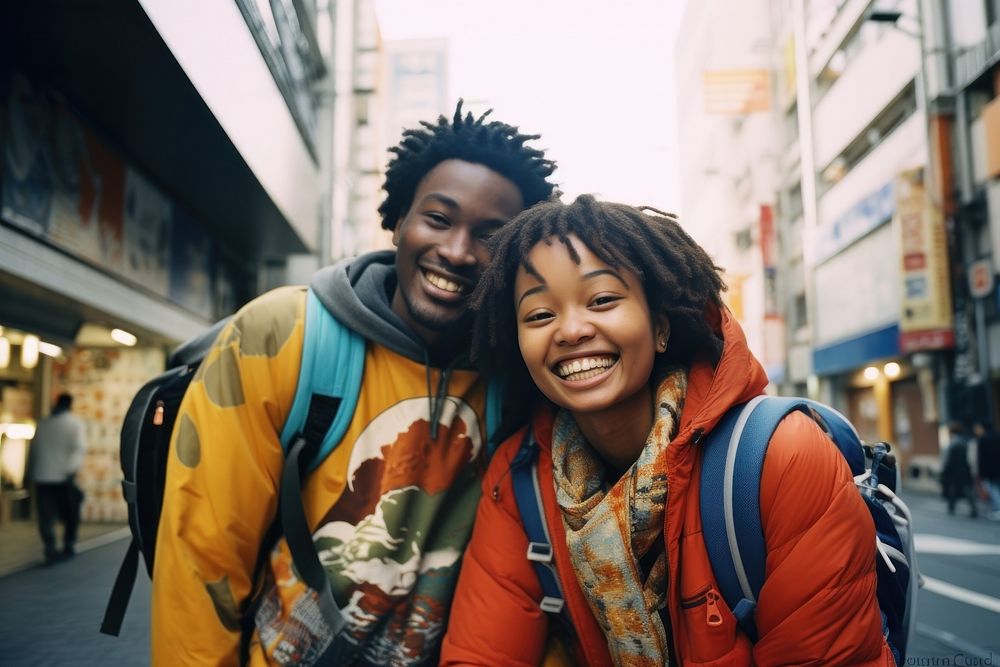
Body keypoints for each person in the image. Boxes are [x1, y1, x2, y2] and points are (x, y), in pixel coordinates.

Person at [150, 102, 557, 666]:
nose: (458, 252)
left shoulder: (521, 375)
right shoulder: (282, 335)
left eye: (490, 236)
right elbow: (202, 555)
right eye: (438, 218)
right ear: (396, 221)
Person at [442, 195, 893, 666]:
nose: (571, 330)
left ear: (660, 328)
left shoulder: (782, 457)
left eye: (602, 300)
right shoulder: (520, 479)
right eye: (539, 315)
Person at [27, 392, 87, 564]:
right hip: (63, 477)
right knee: (70, 513)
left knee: (45, 515)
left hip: (42, 476)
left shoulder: (44, 423)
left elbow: (33, 450)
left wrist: (31, 472)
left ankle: (50, 547)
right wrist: (71, 470)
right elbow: (79, 449)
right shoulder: (75, 424)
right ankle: (69, 543)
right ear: (70, 404)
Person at [942, 421, 978, 518]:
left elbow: (946, 459)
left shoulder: (952, 443)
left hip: (953, 470)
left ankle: (951, 507)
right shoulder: (966, 441)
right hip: (965, 469)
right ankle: (973, 508)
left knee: (953, 489)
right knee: (968, 489)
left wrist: (944, 469)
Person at [974, 422, 1000, 519]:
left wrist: (981, 473)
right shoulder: (997, 437)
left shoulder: (983, 440)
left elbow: (981, 459)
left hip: (990, 471)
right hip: (997, 469)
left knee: (993, 490)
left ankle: (998, 509)